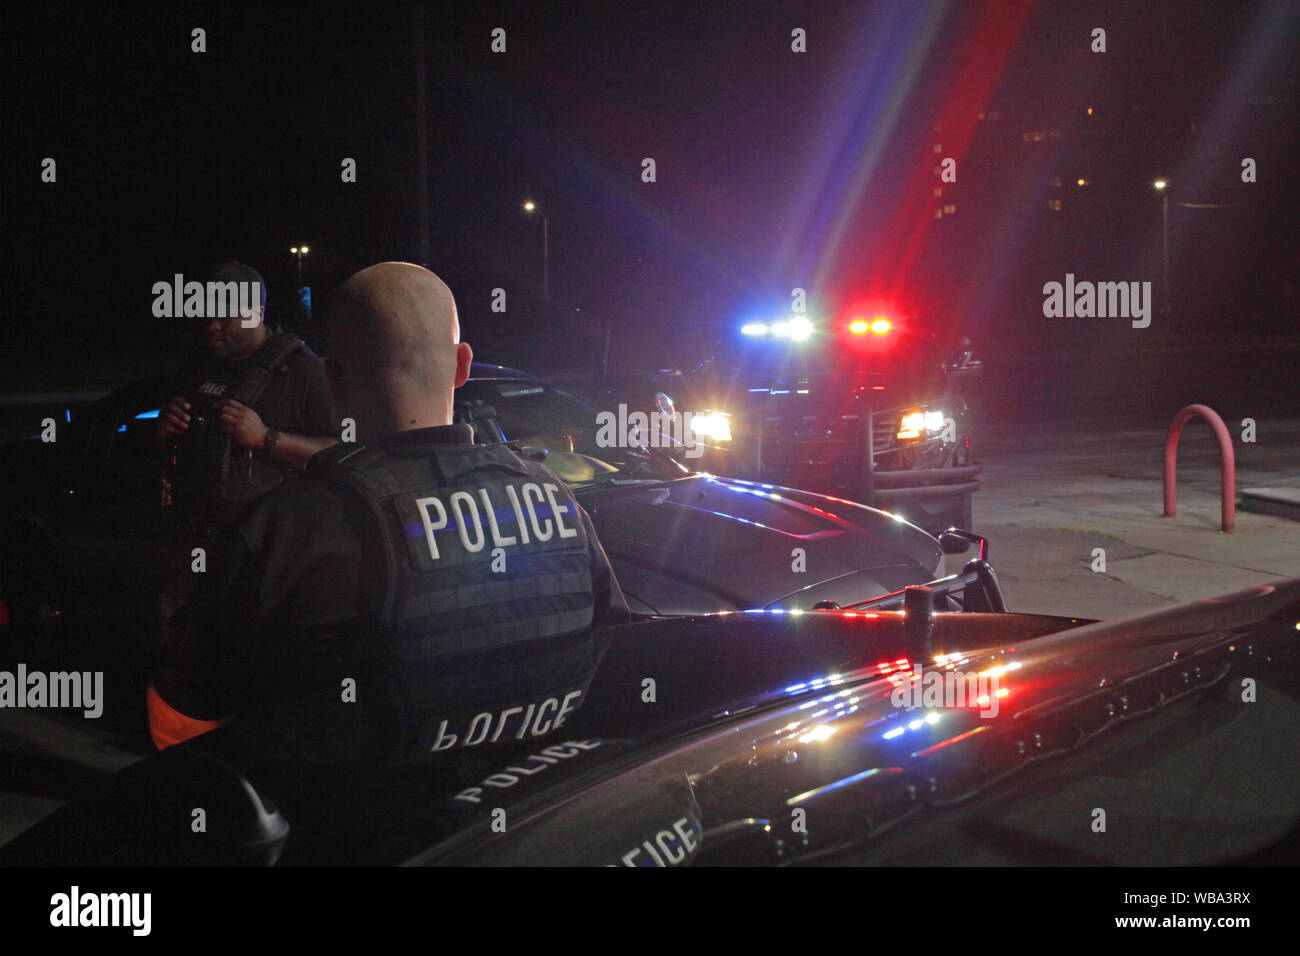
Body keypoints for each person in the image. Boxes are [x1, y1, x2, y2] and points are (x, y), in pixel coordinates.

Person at [148, 262, 629, 764]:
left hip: (370, 834)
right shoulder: (555, 498)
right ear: (463, 366)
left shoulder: (285, 530)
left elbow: (182, 719)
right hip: (522, 825)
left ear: (333, 380)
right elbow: (609, 660)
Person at [155, 261, 341, 625]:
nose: (212, 326)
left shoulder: (304, 371)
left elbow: (340, 453)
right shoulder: (202, 365)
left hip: (268, 555)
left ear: (256, 313)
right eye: (207, 314)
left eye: (224, 317)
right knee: (177, 646)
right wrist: (167, 425)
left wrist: (267, 438)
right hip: (197, 544)